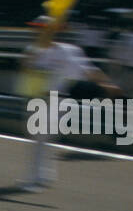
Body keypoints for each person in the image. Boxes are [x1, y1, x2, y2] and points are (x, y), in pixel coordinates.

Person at [19, 14, 119, 191]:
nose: (37, 31)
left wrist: (106, 84)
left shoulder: (69, 51)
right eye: (36, 28)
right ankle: (43, 175)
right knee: (41, 138)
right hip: (37, 99)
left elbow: (88, 70)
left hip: (58, 98)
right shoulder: (33, 49)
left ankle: (35, 179)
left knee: (43, 137)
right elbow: (25, 67)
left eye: (42, 28)